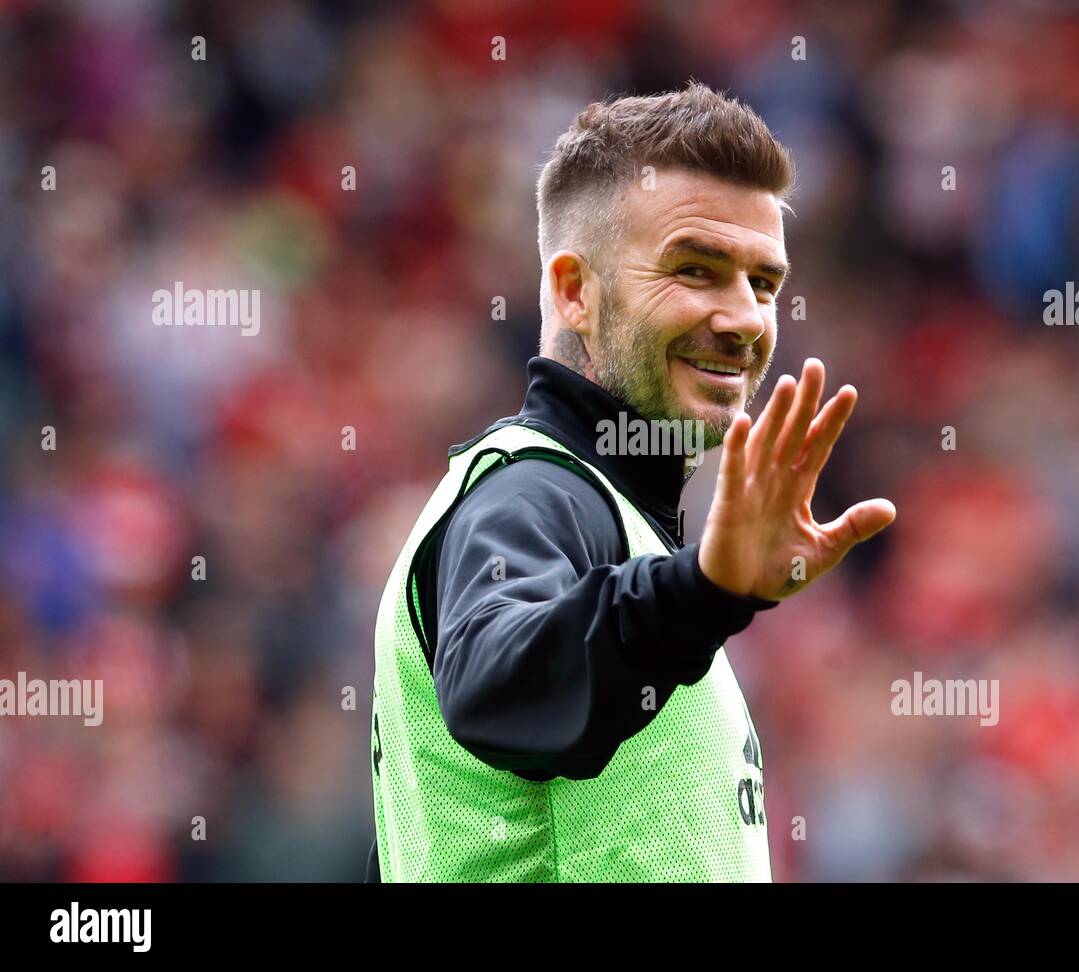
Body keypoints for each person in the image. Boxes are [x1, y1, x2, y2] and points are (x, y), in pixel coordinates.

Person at [368, 81, 895, 882]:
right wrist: (706, 589)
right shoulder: (531, 493)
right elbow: (498, 688)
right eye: (696, 269)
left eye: (763, 283)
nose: (746, 318)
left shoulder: (618, 521)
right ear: (576, 291)